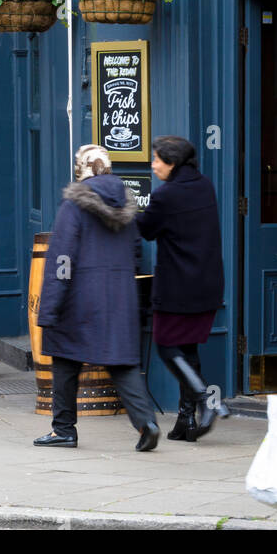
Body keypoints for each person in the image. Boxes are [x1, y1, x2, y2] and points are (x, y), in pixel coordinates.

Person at [35, 144, 159, 452]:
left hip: (78, 298)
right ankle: (146, 423)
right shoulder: (126, 208)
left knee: (64, 361)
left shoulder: (73, 206)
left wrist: (49, 308)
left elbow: (61, 259)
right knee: (122, 363)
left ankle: (63, 430)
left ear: (81, 169)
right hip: (119, 298)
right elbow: (135, 254)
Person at [136, 135, 227, 442]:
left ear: (172, 163)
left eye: (157, 159)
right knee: (188, 348)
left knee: (166, 345)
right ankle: (186, 420)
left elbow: (146, 230)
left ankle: (206, 400)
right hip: (208, 285)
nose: (152, 164)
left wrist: (122, 210)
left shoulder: (166, 195)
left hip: (177, 288)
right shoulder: (204, 185)